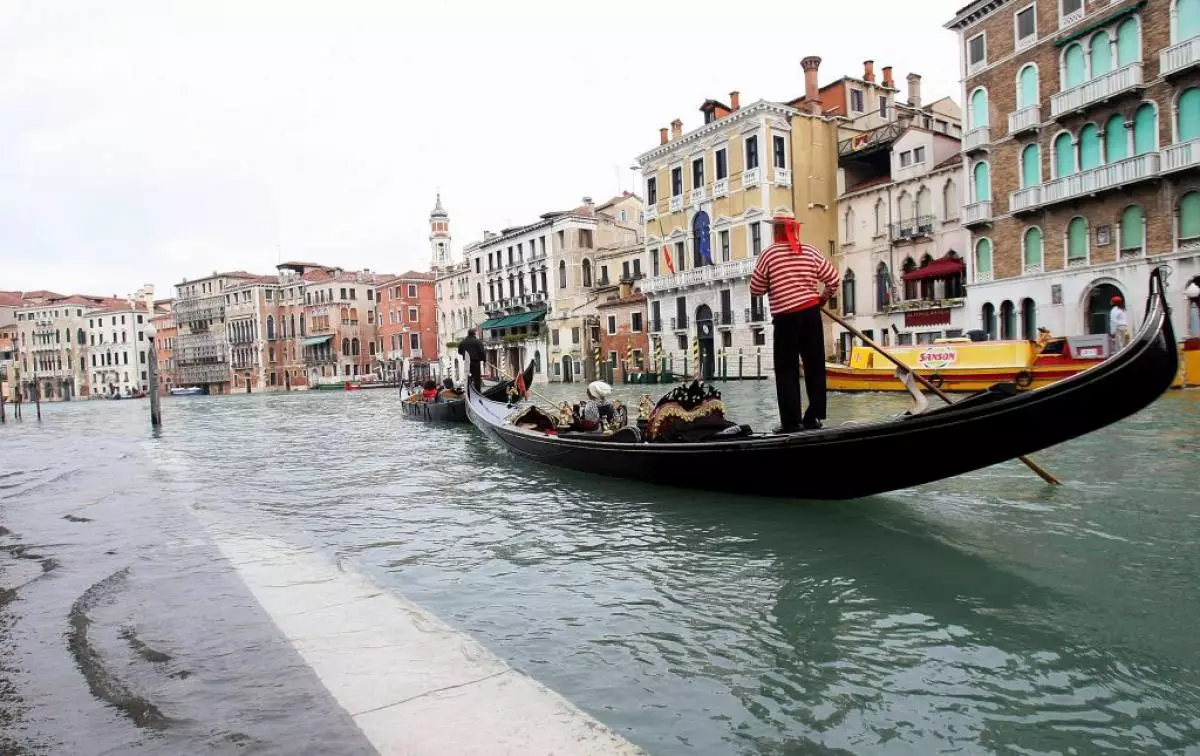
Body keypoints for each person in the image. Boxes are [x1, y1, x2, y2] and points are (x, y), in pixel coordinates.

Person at [750, 207, 840, 433]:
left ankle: (792, 423)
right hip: (810, 314)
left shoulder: (769, 254)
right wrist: (822, 299)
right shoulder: (810, 251)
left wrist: (773, 283)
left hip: (786, 319)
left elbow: (755, 288)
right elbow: (833, 278)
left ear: (777, 229)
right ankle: (813, 417)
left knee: (787, 370)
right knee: (815, 366)